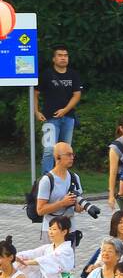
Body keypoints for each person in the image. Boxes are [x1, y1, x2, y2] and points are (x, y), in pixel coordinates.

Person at [35, 45, 83, 174]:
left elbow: (77, 95)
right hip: (50, 118)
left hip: (68, 118)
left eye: (65, 55)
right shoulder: (46, 74)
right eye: (60, 55)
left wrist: (65, 110)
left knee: (66, 150)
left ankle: (63, 179)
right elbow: (35, 93)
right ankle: (47, 179)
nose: (63, 58)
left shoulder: (73, 74)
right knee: (49, 150)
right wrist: (36, 111)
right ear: (53, 58)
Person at [35, 141, 84, 245]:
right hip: (52, 231)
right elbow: (40, 210)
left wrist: (82, 206)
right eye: (68, 154)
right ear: (57, 157)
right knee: (52, 261)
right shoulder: (47, 180)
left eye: (73, 154)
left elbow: (77, 208)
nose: (72, 157)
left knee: (69, 261)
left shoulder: (75, 177)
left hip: (70, 229)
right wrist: (62, 203)